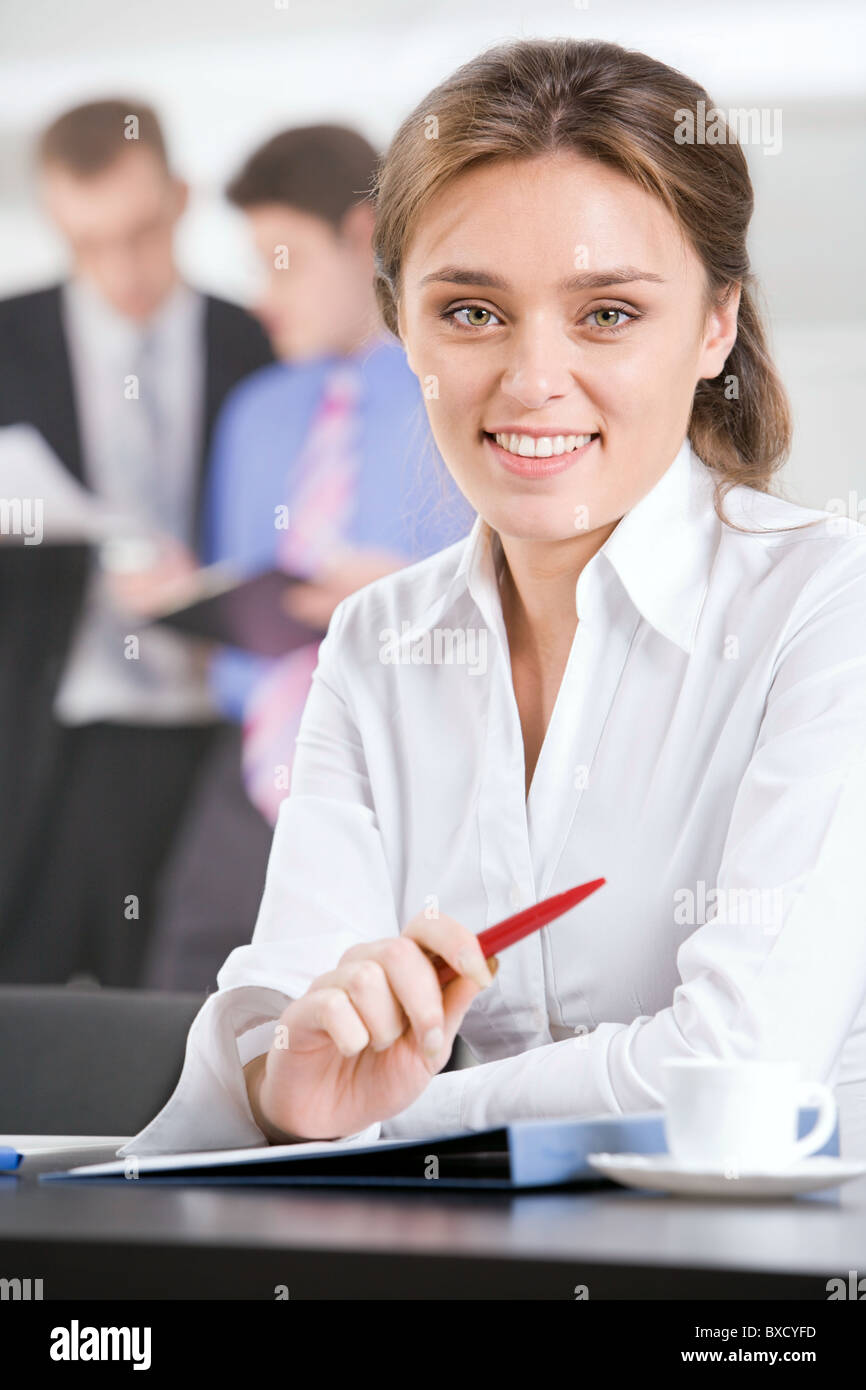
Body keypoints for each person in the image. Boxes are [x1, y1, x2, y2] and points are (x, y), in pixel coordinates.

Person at [119, 36, 866, 1163]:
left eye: (606, 313)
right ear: (401, 323)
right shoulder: (374, 644)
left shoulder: (824, 604)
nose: (529, 380)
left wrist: (376, 1115)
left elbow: (732, 1071)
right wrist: (295, 1077)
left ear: (714, 324)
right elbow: (283, 1008)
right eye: (470, 311)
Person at [140, 125, 474, 992]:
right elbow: (239, 592)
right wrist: (187, 597)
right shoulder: (256, 413)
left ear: (362, 239)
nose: (263, 295)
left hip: (408, 765)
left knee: (382, 1006)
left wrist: (396, 598)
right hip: (252, 764)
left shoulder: (464, 395)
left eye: (283, 261)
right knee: (185, 999)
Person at [0, 99, 273, 986]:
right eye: (87, 242)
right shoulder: (8, 338)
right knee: (35, 992)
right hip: (57, 723)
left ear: (182, 198)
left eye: (139, 232)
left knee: (189, 991)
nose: (118, 268)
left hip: (216, 728)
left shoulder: (254, 340)